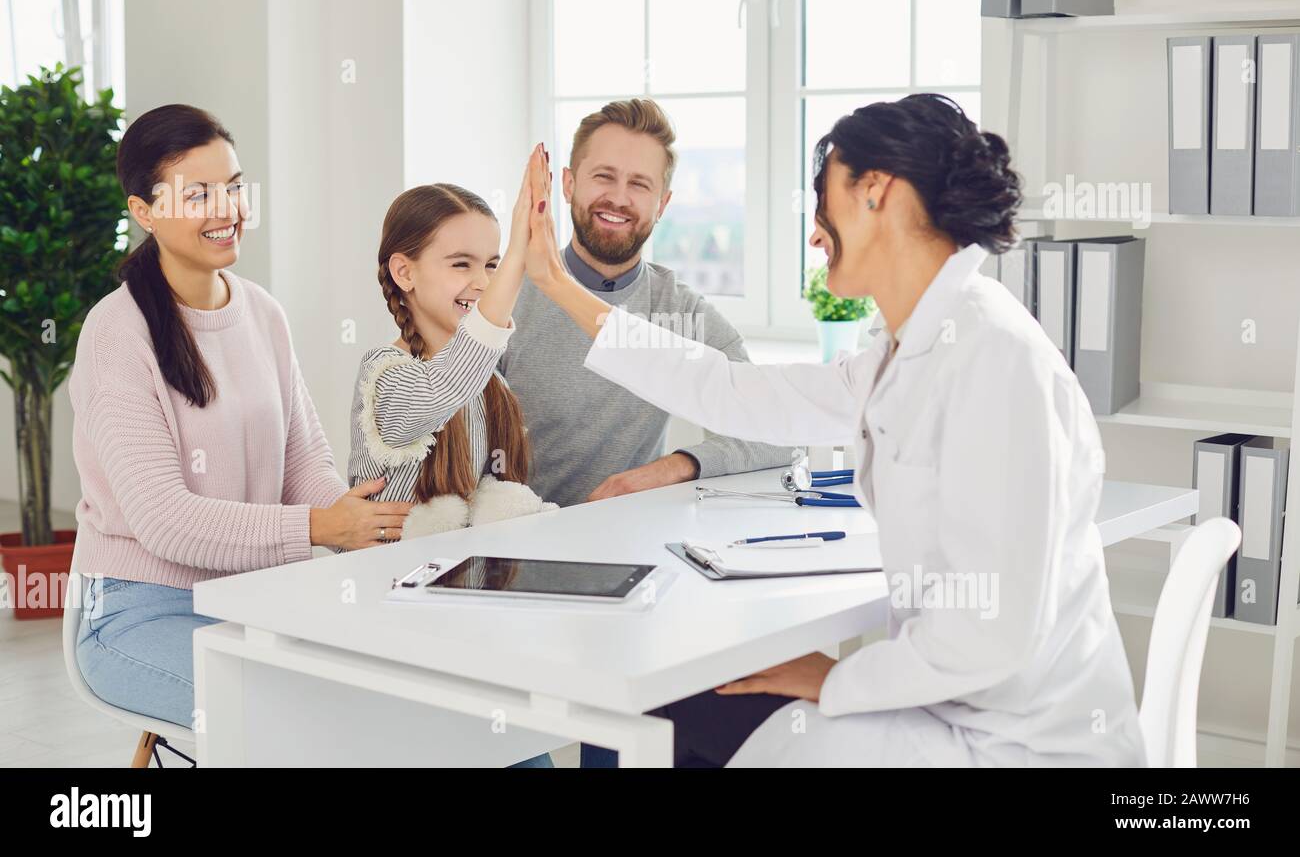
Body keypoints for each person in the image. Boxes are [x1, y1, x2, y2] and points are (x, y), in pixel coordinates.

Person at [522, 93, 1147, 767]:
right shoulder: (905, 350)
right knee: (681, 694)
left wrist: (838, 680)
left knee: (678, 704)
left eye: (823, 203)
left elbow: (991, 632)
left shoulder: (993, 358)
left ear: (875, 192)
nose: (815, 234)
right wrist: (556, 283)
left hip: (1013, 744)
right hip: (950, 712)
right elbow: (730, 390)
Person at [70, 105, 411, 729]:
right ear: (144, 212)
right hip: (140, 613)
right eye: (199, 194)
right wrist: (320, 528)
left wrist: (364, 521)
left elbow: (304, 466)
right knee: (309, 723)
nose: (228, 210)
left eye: (232, 188)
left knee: (430, 694)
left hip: (261, 599)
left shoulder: (261, 313)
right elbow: (165, 523)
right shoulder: (116, 335)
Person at [347, 148, 557, 768]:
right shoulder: (387, 377)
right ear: (404, 272)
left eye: (492, 263)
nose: (484, 281)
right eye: (461, 263)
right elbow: (443, 388)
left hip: (469, 631)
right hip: (393, 640)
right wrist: (521, 253)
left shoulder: (494, 388)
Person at [498, 98, 788, 510]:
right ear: (567, 183)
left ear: (662, 204)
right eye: (604, 176)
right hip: (513, 550)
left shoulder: (681, 312)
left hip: (633, 549)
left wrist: (673, 467)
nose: (618, 199)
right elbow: (432, 419)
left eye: (639, 184)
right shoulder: (509, 296)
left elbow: (776, 431)